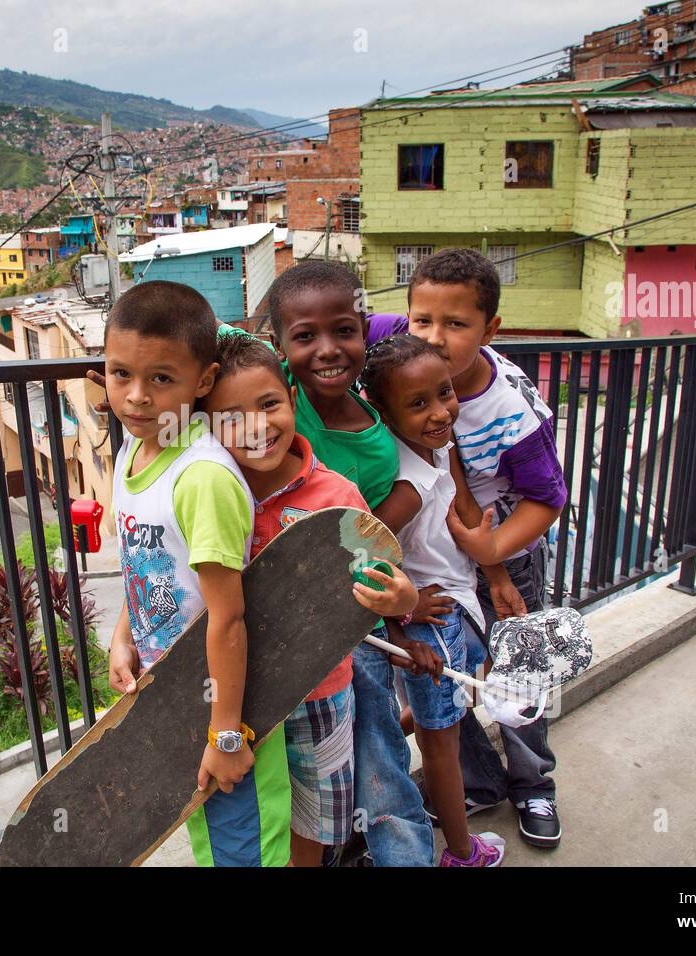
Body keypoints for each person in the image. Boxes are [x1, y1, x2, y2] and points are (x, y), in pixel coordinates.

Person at [200, 328, 418, 866]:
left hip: (324, 693)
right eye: (231, 416)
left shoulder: (337, 495)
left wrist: (400, 598)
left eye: (269, 404)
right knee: (251, 817)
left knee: (316, 820)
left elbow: (389, 577)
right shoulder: (213, 495)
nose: (256, 427)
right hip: (244, 701)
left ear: (292, 399)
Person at [265, 260, 454, 866]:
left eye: (344, 331)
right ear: (279, 346)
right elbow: (221, 344)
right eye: (304, 337)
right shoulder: (285, 404)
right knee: (296, 776)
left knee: (378, 762)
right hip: (279, 628)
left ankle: (403, 855)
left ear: (364, 331)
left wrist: (398, 634)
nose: (327, 350)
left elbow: (370, 548)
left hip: (356, 632)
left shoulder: (377, 439)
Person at [103, 280, 290, 867]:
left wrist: (227, 736)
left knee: (245, 850)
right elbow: (146, 564)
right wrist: (124, 635)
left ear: (202, 382)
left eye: (161, 378)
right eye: (119, 374)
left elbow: (229, 615)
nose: (136, 397)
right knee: (210, 841)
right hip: (176, 695)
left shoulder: (199, 478)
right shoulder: (132, 454)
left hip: (230, 706)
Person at [405, 247, 568, 848]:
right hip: (442, 563)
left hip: (511, 557)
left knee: (518, 670)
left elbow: (548, 498)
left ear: (490, 329)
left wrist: (492, 550)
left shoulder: (511, 413)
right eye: (422, 320)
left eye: (456, 324)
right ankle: (479, 781)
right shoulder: (402, 349)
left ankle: (534, 785)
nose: (434, 336)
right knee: (441, 672)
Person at [363, 334, 505, 867]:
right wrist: (402, 620)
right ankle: (463, 854)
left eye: (444, 393)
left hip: (457, 604)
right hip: (434, 621)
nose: (440, 412)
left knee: (441, 716)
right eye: (417, 404)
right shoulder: (407, 481)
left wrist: (498, 578)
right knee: (441, 742)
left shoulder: (441, 446)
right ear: (383, 410)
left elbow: (465, 505)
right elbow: (360, 553)